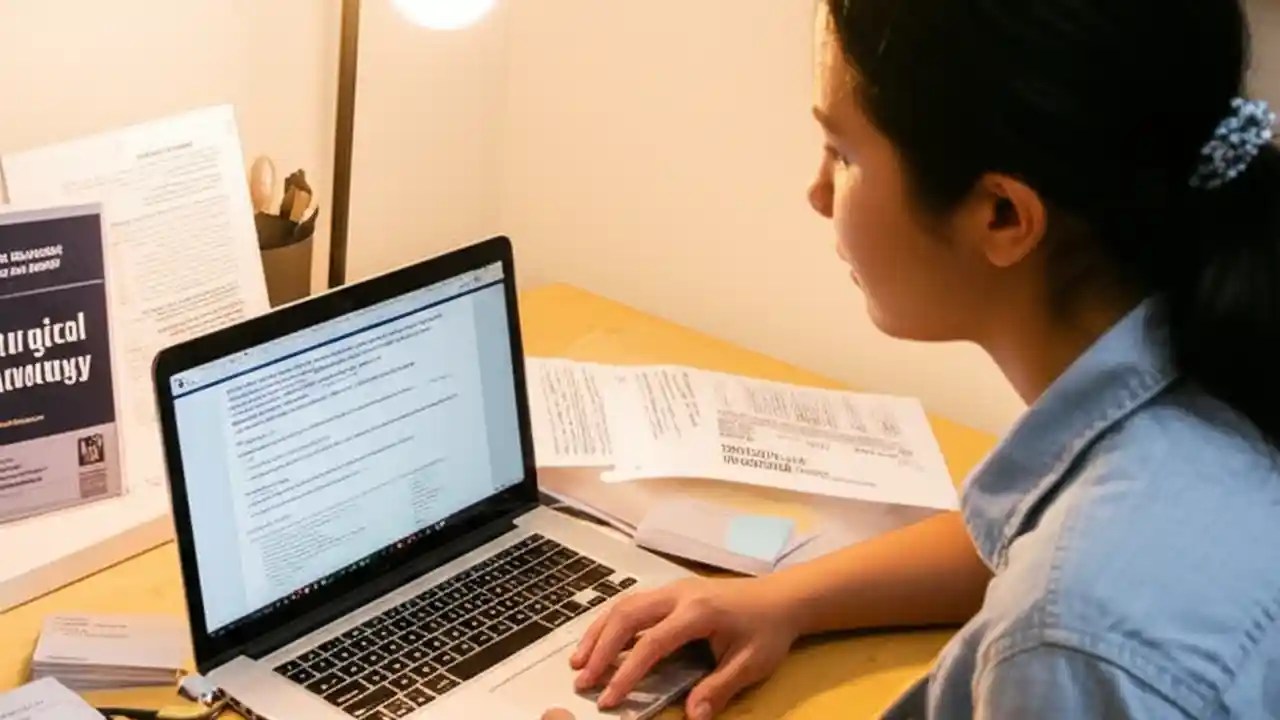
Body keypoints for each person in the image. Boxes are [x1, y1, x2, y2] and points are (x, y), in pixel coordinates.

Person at [544, 0, 1280, 717]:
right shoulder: (1220, 360)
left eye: (844, 153)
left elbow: (1083, 590)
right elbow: (1018, 527)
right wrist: (783, 597)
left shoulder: (1071, 647)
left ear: (1002, 216)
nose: (817, 192)